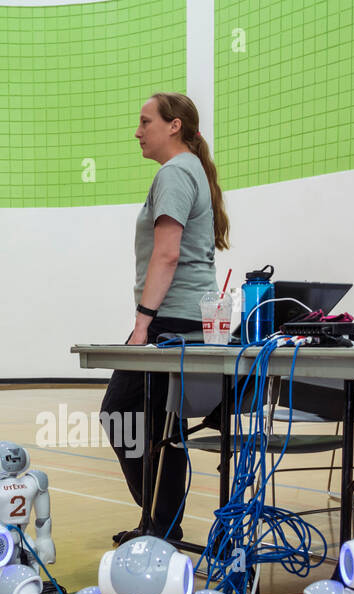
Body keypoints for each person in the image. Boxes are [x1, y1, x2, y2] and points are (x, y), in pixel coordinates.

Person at [99, 92, 229, 544]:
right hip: (187, 320)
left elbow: (167, 253)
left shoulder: (175, 173)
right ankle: (159, 525)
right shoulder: (191, 169)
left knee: (118, 412)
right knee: (160, 426)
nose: (137, 132)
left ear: (174, 126)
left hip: (169, 321)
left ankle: (159, 519)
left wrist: (141, 323)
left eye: (145, 121)